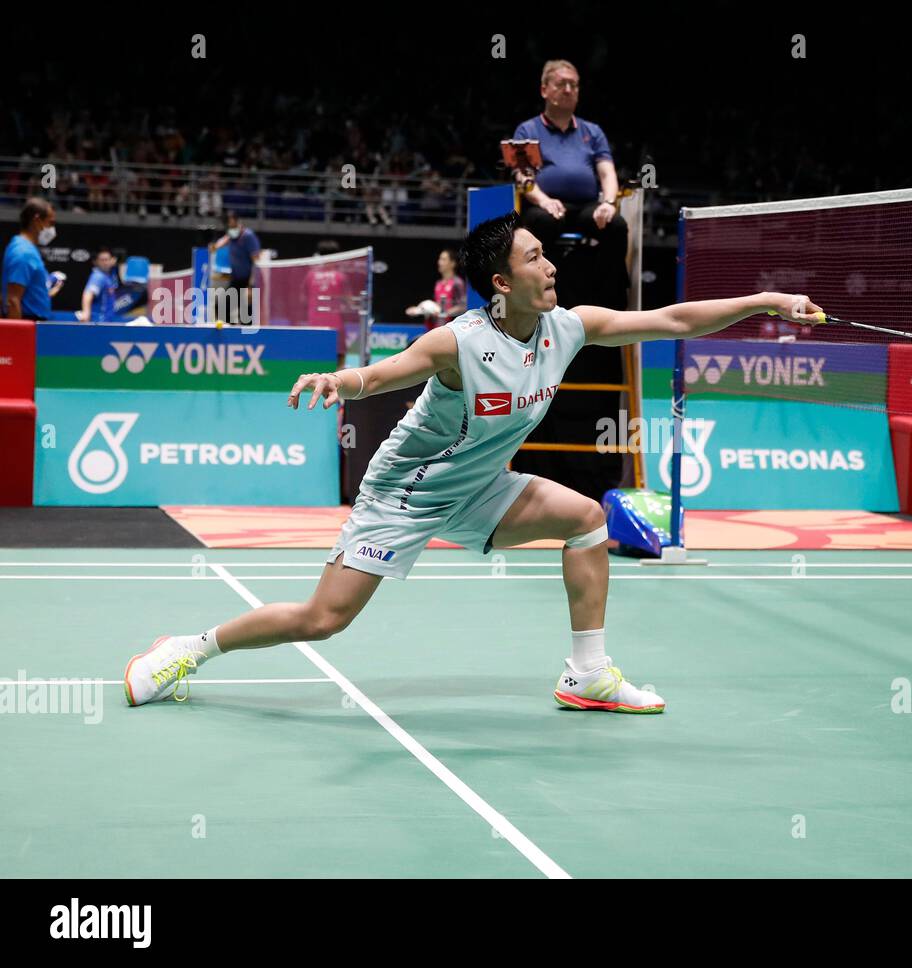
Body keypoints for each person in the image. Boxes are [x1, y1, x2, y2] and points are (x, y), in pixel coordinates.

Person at [123, 210, 822, 712]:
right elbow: (389, 371)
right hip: (405, 493)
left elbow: (672, 320)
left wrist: (768, 301)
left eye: (548, 255)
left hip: (482, 487)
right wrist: (339, 382)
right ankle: (191, 647)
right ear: (499, 281)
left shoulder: (569, 329)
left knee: (585, 520)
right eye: (533, 259)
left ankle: (589, 674)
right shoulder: (460, 344)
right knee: (323, 620)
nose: (550, 266)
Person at [512, 59, 629, 308]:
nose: (568, 90)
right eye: (562, 84)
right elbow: (523, 177)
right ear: (544, 89)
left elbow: (607, 173)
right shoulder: (527, 129)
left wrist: (608, 203)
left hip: (588, 207)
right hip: (545, 206)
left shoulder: (593, 131)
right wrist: (544, 200)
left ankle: (607, 303)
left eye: (574, 85)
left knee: (616, 225)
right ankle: (546, 298)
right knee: (541, 223)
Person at [2, 198, 63, 321]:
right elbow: (13, 300)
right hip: (26, 324)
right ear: (37, 220)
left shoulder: (29, 249)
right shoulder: (23, 253)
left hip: (35, 323)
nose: (52, 230)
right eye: (50, 223)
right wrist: (17, 337)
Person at [208, 210, 261, 323]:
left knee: (246, 317)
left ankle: (248, 339)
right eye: (228, 225)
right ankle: (231, 334)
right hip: (236, 281)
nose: (230, 226)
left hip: (249, 281)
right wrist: (214, 246)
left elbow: (256, 264)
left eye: (232, 223)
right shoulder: (231, 235)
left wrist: (251, 286)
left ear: (238, 222)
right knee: (221, 307)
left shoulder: (248, 236)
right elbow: (219, 244)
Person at [405, 248, 467, 330]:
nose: (439, 262)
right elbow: (437, 307)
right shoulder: (438, 284)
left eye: (443, 259)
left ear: (453, 263)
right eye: (439, 259)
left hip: (450, 329)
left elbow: (463, 306)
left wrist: (445, 313)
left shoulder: (457, 283)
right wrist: (418, 310)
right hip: (435, 328)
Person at [78, 246, 119, 322]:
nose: (105, 263)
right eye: (102, 260)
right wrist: (86, 313)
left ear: (112, 260)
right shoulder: (98, 276)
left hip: (107, 320)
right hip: (98, 321)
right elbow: (88, 294)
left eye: (107, 260)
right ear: (96, 262)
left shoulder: (110, 275)